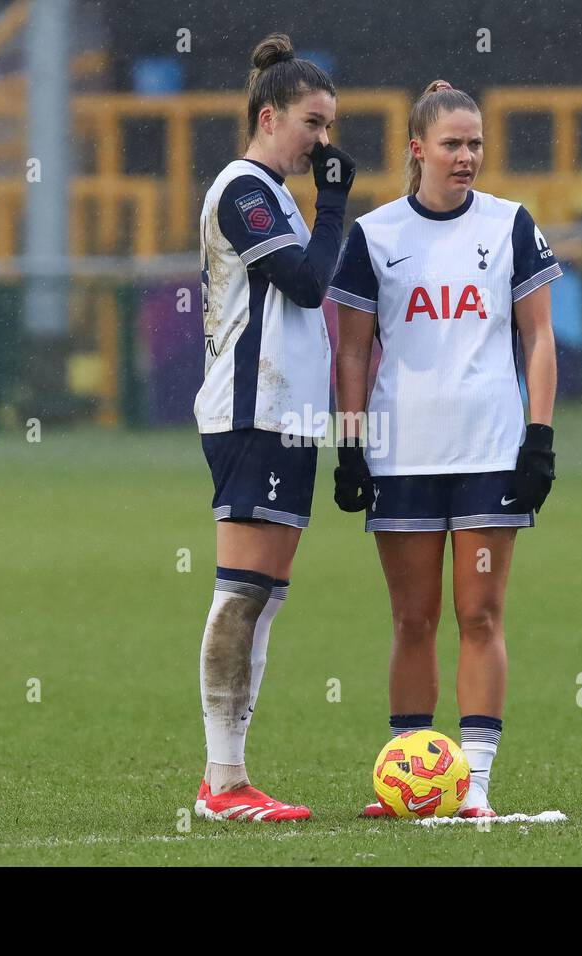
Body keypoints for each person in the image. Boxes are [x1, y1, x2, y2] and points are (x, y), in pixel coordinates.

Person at [327, 80, 559, 819]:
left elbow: (538, 337)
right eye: (453, 144)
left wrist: (541, 439)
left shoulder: (512, 224)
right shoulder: (376, 235)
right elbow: (352, 353)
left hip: (490, 451)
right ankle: (410, 782)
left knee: (481, 615)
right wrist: (352, 446)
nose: (467, 157)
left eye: (476, 144)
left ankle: (475, 787)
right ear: (417, 149)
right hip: (403, 459)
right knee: (412, 619)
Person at [193, 33, 355, 822]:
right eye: (312, 123)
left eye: (328, 126)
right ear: (269, 116)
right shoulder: (244, 187)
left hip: (287, 415)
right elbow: (302, 281)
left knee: (264, 596)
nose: (322, 141)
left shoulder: (277, 195)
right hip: (250, 411)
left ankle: (233, 777)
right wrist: (334, 210)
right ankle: (222, 782)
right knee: (241, 590)